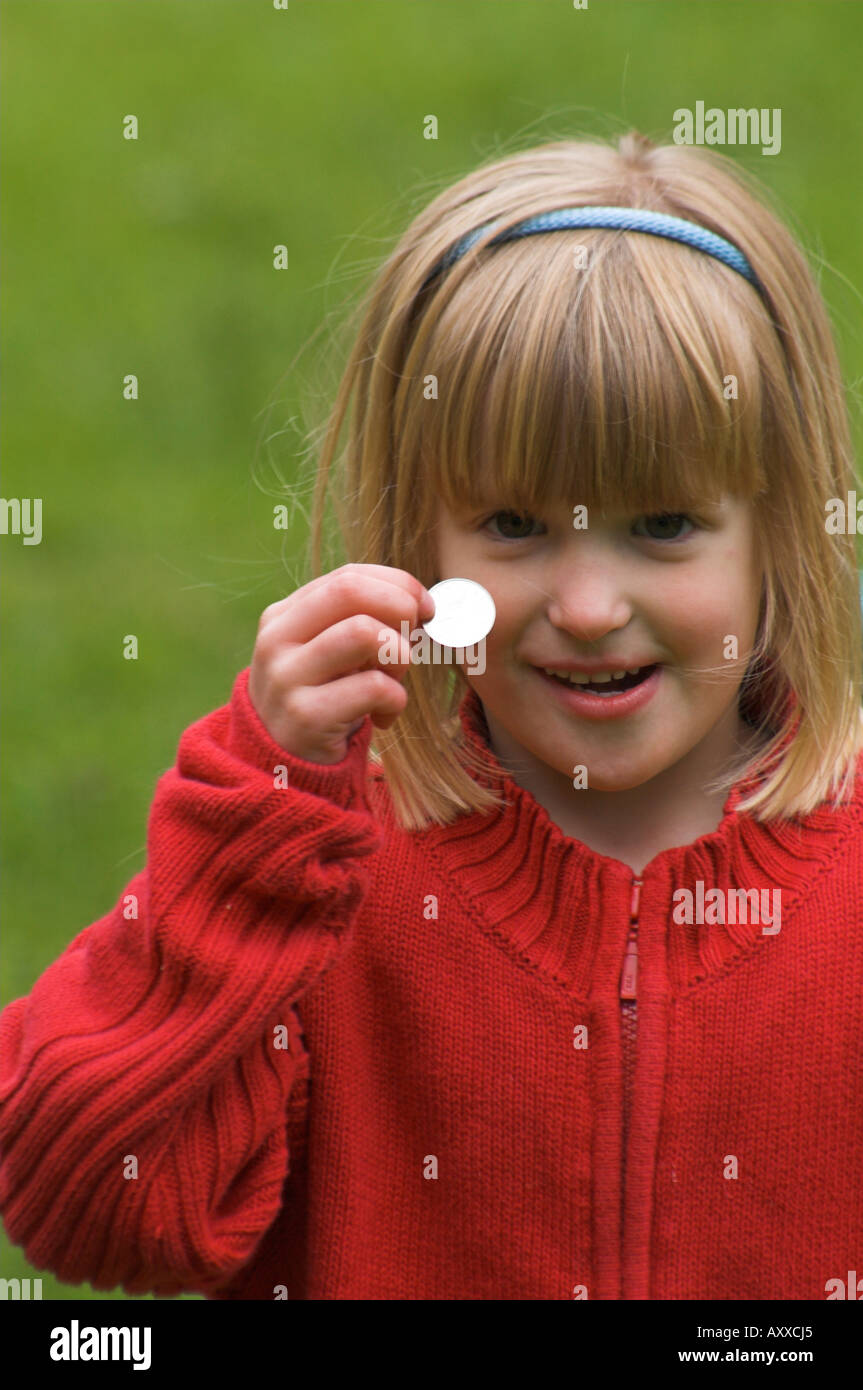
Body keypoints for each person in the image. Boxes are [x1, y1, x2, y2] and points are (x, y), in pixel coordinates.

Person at [2, 131, 862, 1301]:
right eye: (512, 523)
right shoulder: (320, 876)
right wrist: (253, 836)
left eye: (660, 525)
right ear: (416, 542)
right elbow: (91, 1201)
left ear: (779, 533)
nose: (586, 604)